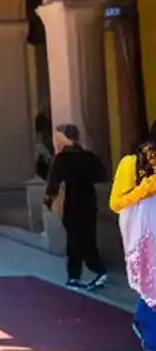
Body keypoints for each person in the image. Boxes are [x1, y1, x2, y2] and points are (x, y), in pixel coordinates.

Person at [110, 121, 156, 351]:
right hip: (146, 238)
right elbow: (116, 203)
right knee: (152, 290)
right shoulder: (132, 163)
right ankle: (152, 345)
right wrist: (146, 189)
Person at [44, 123, 108, 290]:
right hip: (88, 200)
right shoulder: (89, 156)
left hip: (71, 202)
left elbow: (53, 183)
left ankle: (95, 270)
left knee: (76, 239)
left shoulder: (62, 159)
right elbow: (101, 175)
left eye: (58, 138)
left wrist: (49, 201)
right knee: (86, 237)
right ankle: (76, 275)